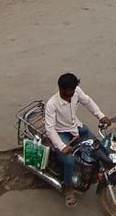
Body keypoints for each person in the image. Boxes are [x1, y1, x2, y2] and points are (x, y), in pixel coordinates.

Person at [44, 73, 111, 207]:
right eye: (68, 92)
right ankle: (68, 187)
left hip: (76, 128)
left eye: (73, 91)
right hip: (61, 133)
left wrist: (101, 116)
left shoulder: (76, 92)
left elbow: (87, 102)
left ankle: (94, 170)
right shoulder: (52, 104)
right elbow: (50, 129)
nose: (71, 95)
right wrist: (62, 146)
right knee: (69, 160)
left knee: (96, 145)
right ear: (60, 89)